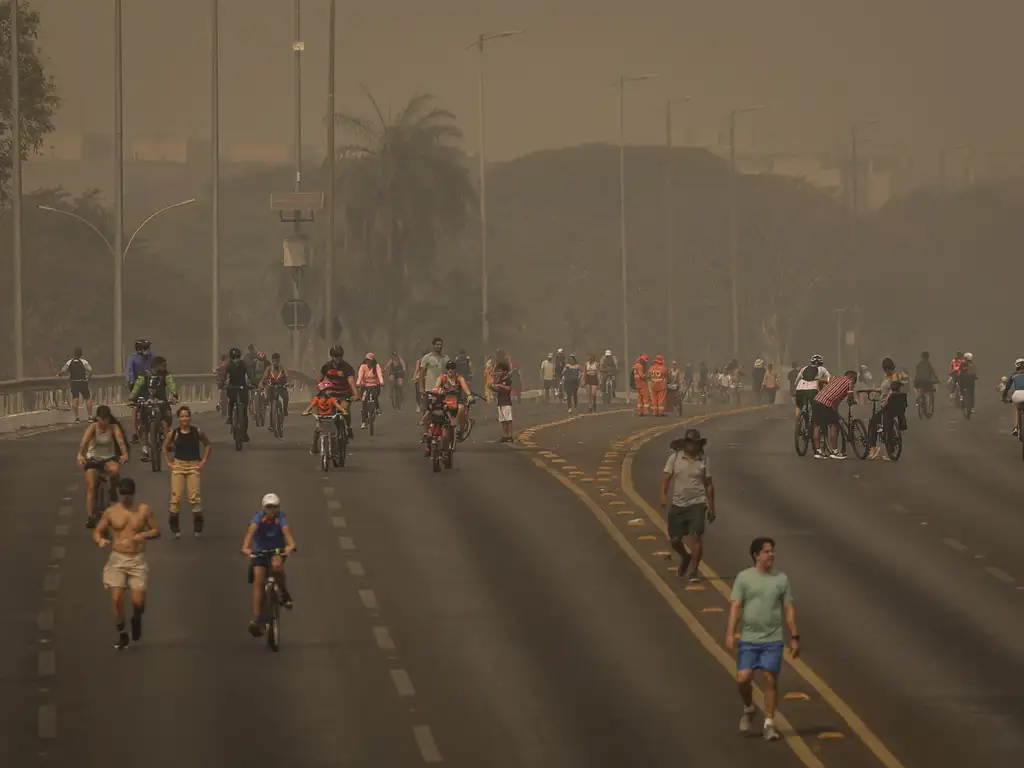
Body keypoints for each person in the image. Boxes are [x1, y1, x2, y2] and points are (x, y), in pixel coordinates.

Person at [725, 537, 799, 742]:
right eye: (766, 551)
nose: (771, 555)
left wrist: (794, 637)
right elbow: (736, 606)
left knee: (769, 679)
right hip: (749, 638)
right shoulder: (744, 578)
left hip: (773, 639)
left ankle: (769, 723)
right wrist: (730, 632)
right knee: (743, 677)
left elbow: (788, 608)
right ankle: (749, 707)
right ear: (756, 555)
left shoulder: (781, 579)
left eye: (772, 551)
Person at [93, 477, 160, 650]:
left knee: (138, 603)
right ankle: (122, 632)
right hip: (117, 558)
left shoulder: (143, 510)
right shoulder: (111, 512)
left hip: (137, 560)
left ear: (134, 494)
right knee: (116, 599)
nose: (126, 498)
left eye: (129, 495)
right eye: (123, 495)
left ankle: (136, 618)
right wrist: (100, 540)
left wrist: (143, 535)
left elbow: (156, 530)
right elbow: (98, 531)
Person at [659, 428, 715, 583]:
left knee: (696, 536)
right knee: (675, 540)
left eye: (695, 444)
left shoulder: (703, 460)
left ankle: (694, 570)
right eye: (690, 443)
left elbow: (709, 485)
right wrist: (663, 495)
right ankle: (685, 556)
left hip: (697, 503)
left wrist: (711, 507)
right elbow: (666, 477)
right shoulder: (675, 457)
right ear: (685, 444)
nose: (692, 446)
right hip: (678, 503)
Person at [240, 492, 296, 637]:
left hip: (276, 551)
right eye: (268, 507)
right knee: (259, 578)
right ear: (264, 508)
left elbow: (287, 535)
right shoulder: (258, 518)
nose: (271, 511)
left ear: (278, 508)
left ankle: (284, 593)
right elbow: (250, 533)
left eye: (274, 507)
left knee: (277, 566)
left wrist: (290, 546)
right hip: (260, 551)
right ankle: (257, 619)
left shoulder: (281, 518)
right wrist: (246, 547)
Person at [162, 405, 212, 539]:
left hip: (193, 465)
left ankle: (198, 526)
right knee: (176, 497)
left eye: (187, 416)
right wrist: (168, 462)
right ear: (178, 418)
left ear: (190, 418)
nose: (185, 419)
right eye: (182, 416)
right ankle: (174, 526)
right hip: (179, 465)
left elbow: (207, 444)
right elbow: (165, 447)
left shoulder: (197, 431)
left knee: (194, 497)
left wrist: (203, 461)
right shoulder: (174, 433)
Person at [77, 405, 130, 529]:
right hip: (93, 459)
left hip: (108, 459)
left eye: (106, 420)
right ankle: (90, 516)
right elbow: (84, 442)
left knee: (115, 471)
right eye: (101, 420)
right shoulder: (93, 428)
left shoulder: (113, 427)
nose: (104, 423)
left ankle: (112, 490)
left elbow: (120, 441)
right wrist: (81, 455)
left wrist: (124, 454)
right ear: (97, 418)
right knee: (91, 486)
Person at [130, 356, 178, 461]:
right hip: (147, 402)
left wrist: (174, 395)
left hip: (162, 402)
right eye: (163, 365)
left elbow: (171, 385)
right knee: (144, 425)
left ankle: (167, 439)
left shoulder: (166, 375)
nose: (165, 368)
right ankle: (145, 449)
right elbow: (137, 386)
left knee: (167, 421)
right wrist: (132, 398)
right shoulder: (144, 375)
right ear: (157, 366)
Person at [811, 369, 858, 459]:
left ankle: (818, 452)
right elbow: (850, 396)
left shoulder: (835, 378)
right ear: (853, 377)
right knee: (834, 425)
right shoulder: (850, 382)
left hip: (817, 399)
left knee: (817, 426)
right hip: (826, 403)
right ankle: (834, 451)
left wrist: (821, 391)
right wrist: (851, 401)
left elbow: (820, 380)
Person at [319, 345, 358, 439]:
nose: (338, 358)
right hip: (332, 393)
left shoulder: (347, 367)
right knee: (331, 415)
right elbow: (320, 380)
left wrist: (356, 394)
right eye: (335, 356)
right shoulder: (326, 366)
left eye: (340, 356)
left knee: (345, 410)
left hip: (345, 393)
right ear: (332, 357)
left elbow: (351, 381)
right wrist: (321, 391)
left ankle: (349, 427)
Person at [866, 358, 900, 460]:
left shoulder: (894, 376)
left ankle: (874, 448)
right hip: (883, 403)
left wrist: (886, 401)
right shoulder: (886, 377)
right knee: (884, 425)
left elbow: (893, 390)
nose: (886, 371)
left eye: (887, 369)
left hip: (888, 404)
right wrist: (871, 390)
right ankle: (889, 450)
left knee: (874, 422)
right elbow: (884, 389)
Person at [303, 380, 348, 455]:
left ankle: (335, 450)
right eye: (328, 390)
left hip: (330, 418)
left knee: (334, 433)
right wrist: (306, 411)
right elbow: (311, 406)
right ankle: (314, 447)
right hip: (320, 418)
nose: (330, 391)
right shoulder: (317, 399)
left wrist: (344, 411)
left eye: (330, 390)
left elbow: (337, 406)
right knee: (317, 431)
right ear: (323, 391)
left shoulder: (331, 399)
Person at [430, 359, 473, 436]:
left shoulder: (459, 378)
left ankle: (460, 429)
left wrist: (469, 395)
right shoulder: (442, 378)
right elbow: (436, 388)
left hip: (457, 401)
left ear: (455, 369)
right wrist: (437, 390)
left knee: (461, 408)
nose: (450, 370)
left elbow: (465, 389)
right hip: (444, 401)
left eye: (452, 368)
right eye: (448, 368)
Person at [124, 339, 154, 442]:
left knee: (154, 404)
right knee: (136, 407)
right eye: (146, 348)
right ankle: (134, 432)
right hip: (136, 385)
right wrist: (132, 392)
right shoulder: (132, 359)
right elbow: (129, 374)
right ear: (139, 350)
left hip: (149, 385)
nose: (148, 350)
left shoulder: (151, 357)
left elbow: (156, 369)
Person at [224, 347, 253, 441]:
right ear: (231, 358)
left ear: (240, 357)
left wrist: (253, 384)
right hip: (232, 388)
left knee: (244, 411)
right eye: (233, 357)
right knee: (231, 402)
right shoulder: (228, 366)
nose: (236, 359)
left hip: (243, 388)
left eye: (237, 357)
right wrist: (222, 385)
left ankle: (244, 432)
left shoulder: (244, 365)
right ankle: (229, 417)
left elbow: (248, 376)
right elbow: (224, 377)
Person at [59, 347, 94, 423]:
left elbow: (63, 370)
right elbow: (90, 370)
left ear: (74, 354)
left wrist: (60, 375)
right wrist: (88, 378)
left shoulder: (70, 362)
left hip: (74, 382)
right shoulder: (83, 361)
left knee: (75, 398)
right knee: (87, 398)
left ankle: (77, 417)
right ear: (81, 354)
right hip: (83, 382)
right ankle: (90, 416)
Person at [793, 354, 830, 421]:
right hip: (813, 390)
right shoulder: (822, 369)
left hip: (800, 388)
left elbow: (796, 381)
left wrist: (795, 389)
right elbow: (829, 379)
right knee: (815, 407)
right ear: (821, 363)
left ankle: (797, 421)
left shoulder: (804, 368)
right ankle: (814, 422)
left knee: (798, 406)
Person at [417, 338, 449, 412]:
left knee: (444, 409)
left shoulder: (446, 358)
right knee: (429, 408)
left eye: (440, 344)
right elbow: (422, 372)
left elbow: (450, 372)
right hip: (430, 388)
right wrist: (421, 387)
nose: (439, 346)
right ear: (433, 346)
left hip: (442, 388)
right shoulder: (427, 357)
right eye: (437, 344)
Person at [356, 353, 385, 429]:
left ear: (373, 360)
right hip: (365, 386)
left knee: (374, 395)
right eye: (367, 360)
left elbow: (379, 374)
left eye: (369, 360)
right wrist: (358, 383)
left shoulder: (376, 366)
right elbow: (360, 376)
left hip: (375, 385)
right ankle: (363, 421)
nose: (368, 361)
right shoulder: (363, 367)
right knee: (363, 400)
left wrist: (381, 382)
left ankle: (377, 407)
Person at [258, 352, 291, 419]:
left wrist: (288, 383)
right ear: (272, 361)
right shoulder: (269, 368)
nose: (275, 363)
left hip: (281, 386)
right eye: (274, 361)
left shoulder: (282, 368)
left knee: (286, 397)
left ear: (279, 361)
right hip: (271, 387)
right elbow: (264, 377)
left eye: (277, 361)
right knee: (272, 406)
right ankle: (271, 424)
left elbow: (287, 377)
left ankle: (285, 410)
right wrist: (261, 383)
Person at [491, 360, 515, 442]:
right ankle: (505, 435)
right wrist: (492, 387)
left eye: (499, 371)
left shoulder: (507, 380)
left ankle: (510, 436)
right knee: (503, 421)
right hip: (500, 403)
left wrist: (500, 385)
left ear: (505, 371)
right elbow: (497, 389)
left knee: (508, 420)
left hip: (506, 403)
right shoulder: (499, 380)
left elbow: (508, 389)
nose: (497, 373)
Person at [1000, 358, 1024, 435]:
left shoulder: (1014, 375)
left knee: (1017, 408)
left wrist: (1003, 398)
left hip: (1017, 394)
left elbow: (1007, 387)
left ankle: (1016, 427)